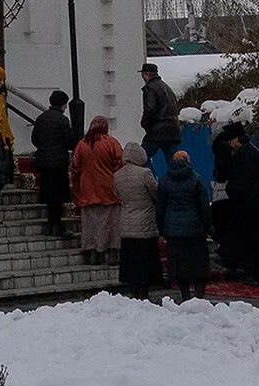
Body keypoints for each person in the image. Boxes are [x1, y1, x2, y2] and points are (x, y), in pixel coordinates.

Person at [210, 121, 259, 288]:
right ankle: (254, 273)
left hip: (252, 207)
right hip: (252, 206)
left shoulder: (247, 156)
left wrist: (233, 190)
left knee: (256, 243)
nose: (230, 144)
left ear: (238, 139)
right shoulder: (247, 153)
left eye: (231, 141)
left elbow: (244, 183)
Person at [156, 148, 212, 302]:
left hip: (173, 231)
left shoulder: (164, 182)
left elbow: (160, 208)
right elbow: (204, 206)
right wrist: (208, 226)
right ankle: (199, 295)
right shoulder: (196, 179)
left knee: (179, 265)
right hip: (195, 230)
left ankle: (185, 295)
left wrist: (161, 229)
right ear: (188, 161)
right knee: (199, 263)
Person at [73, 115, 125, 265]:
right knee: (111, 225)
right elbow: (120, 163)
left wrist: (77, 189)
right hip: (109, 191)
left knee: (90, 225)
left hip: (87, 191)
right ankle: (112, 252)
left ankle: (93, 253)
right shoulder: (111, 143)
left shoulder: (82, 144)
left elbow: (75, 168)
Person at [114, 141, 162, 297]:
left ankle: (134, 291)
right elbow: (156, 194)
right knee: (145, 261)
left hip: (126, 223)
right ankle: (143, 292)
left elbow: (119, 197)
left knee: (131, 261)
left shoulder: (117, 175)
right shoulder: (145, 173)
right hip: (145, 222)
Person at [31, 88, 79, 237]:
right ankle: (57, 226)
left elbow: (34, 139)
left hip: (44, 163)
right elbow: (70, 141)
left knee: (49, 195)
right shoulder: (62, 120)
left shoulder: (41, 118)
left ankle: (51, 225)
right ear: (63, 104)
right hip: (58, 164)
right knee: (58, 197)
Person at [139, 61, 183, 168]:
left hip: (158, 131)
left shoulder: (150, 88)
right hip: (173, 130)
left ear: (147, 75)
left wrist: (144, 123)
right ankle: (180, 181)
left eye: (142, 75)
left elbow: (150, 109)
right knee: (176, 162)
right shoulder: (167, 87)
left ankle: (148, 181)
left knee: (140, 158)